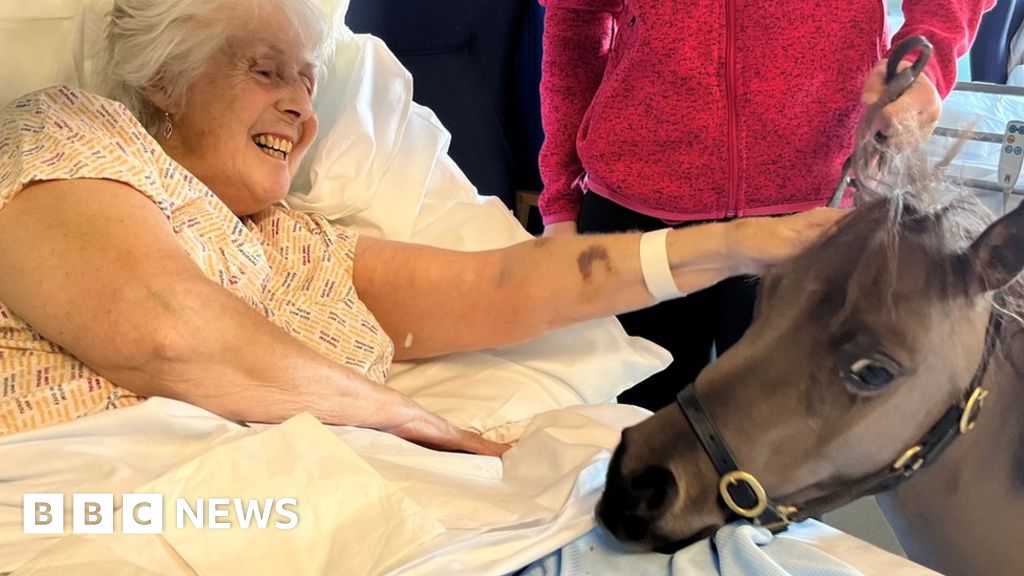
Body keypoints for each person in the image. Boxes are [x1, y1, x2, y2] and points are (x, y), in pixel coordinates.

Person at [0, 0, 842, 453]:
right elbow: (164, 331)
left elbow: (502, 284)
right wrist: (416, 423)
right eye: (266, 73)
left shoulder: (298, 243)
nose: (301, 107)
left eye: (307, 81)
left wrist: (731, 247)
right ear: (163, 84)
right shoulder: (71, 133)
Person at [536, 0, 995, 411]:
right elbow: (576, 18)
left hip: (812, 216)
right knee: (624, 441)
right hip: (635, 214)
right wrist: (561, 197)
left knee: (782, 449)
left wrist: (925, 62)